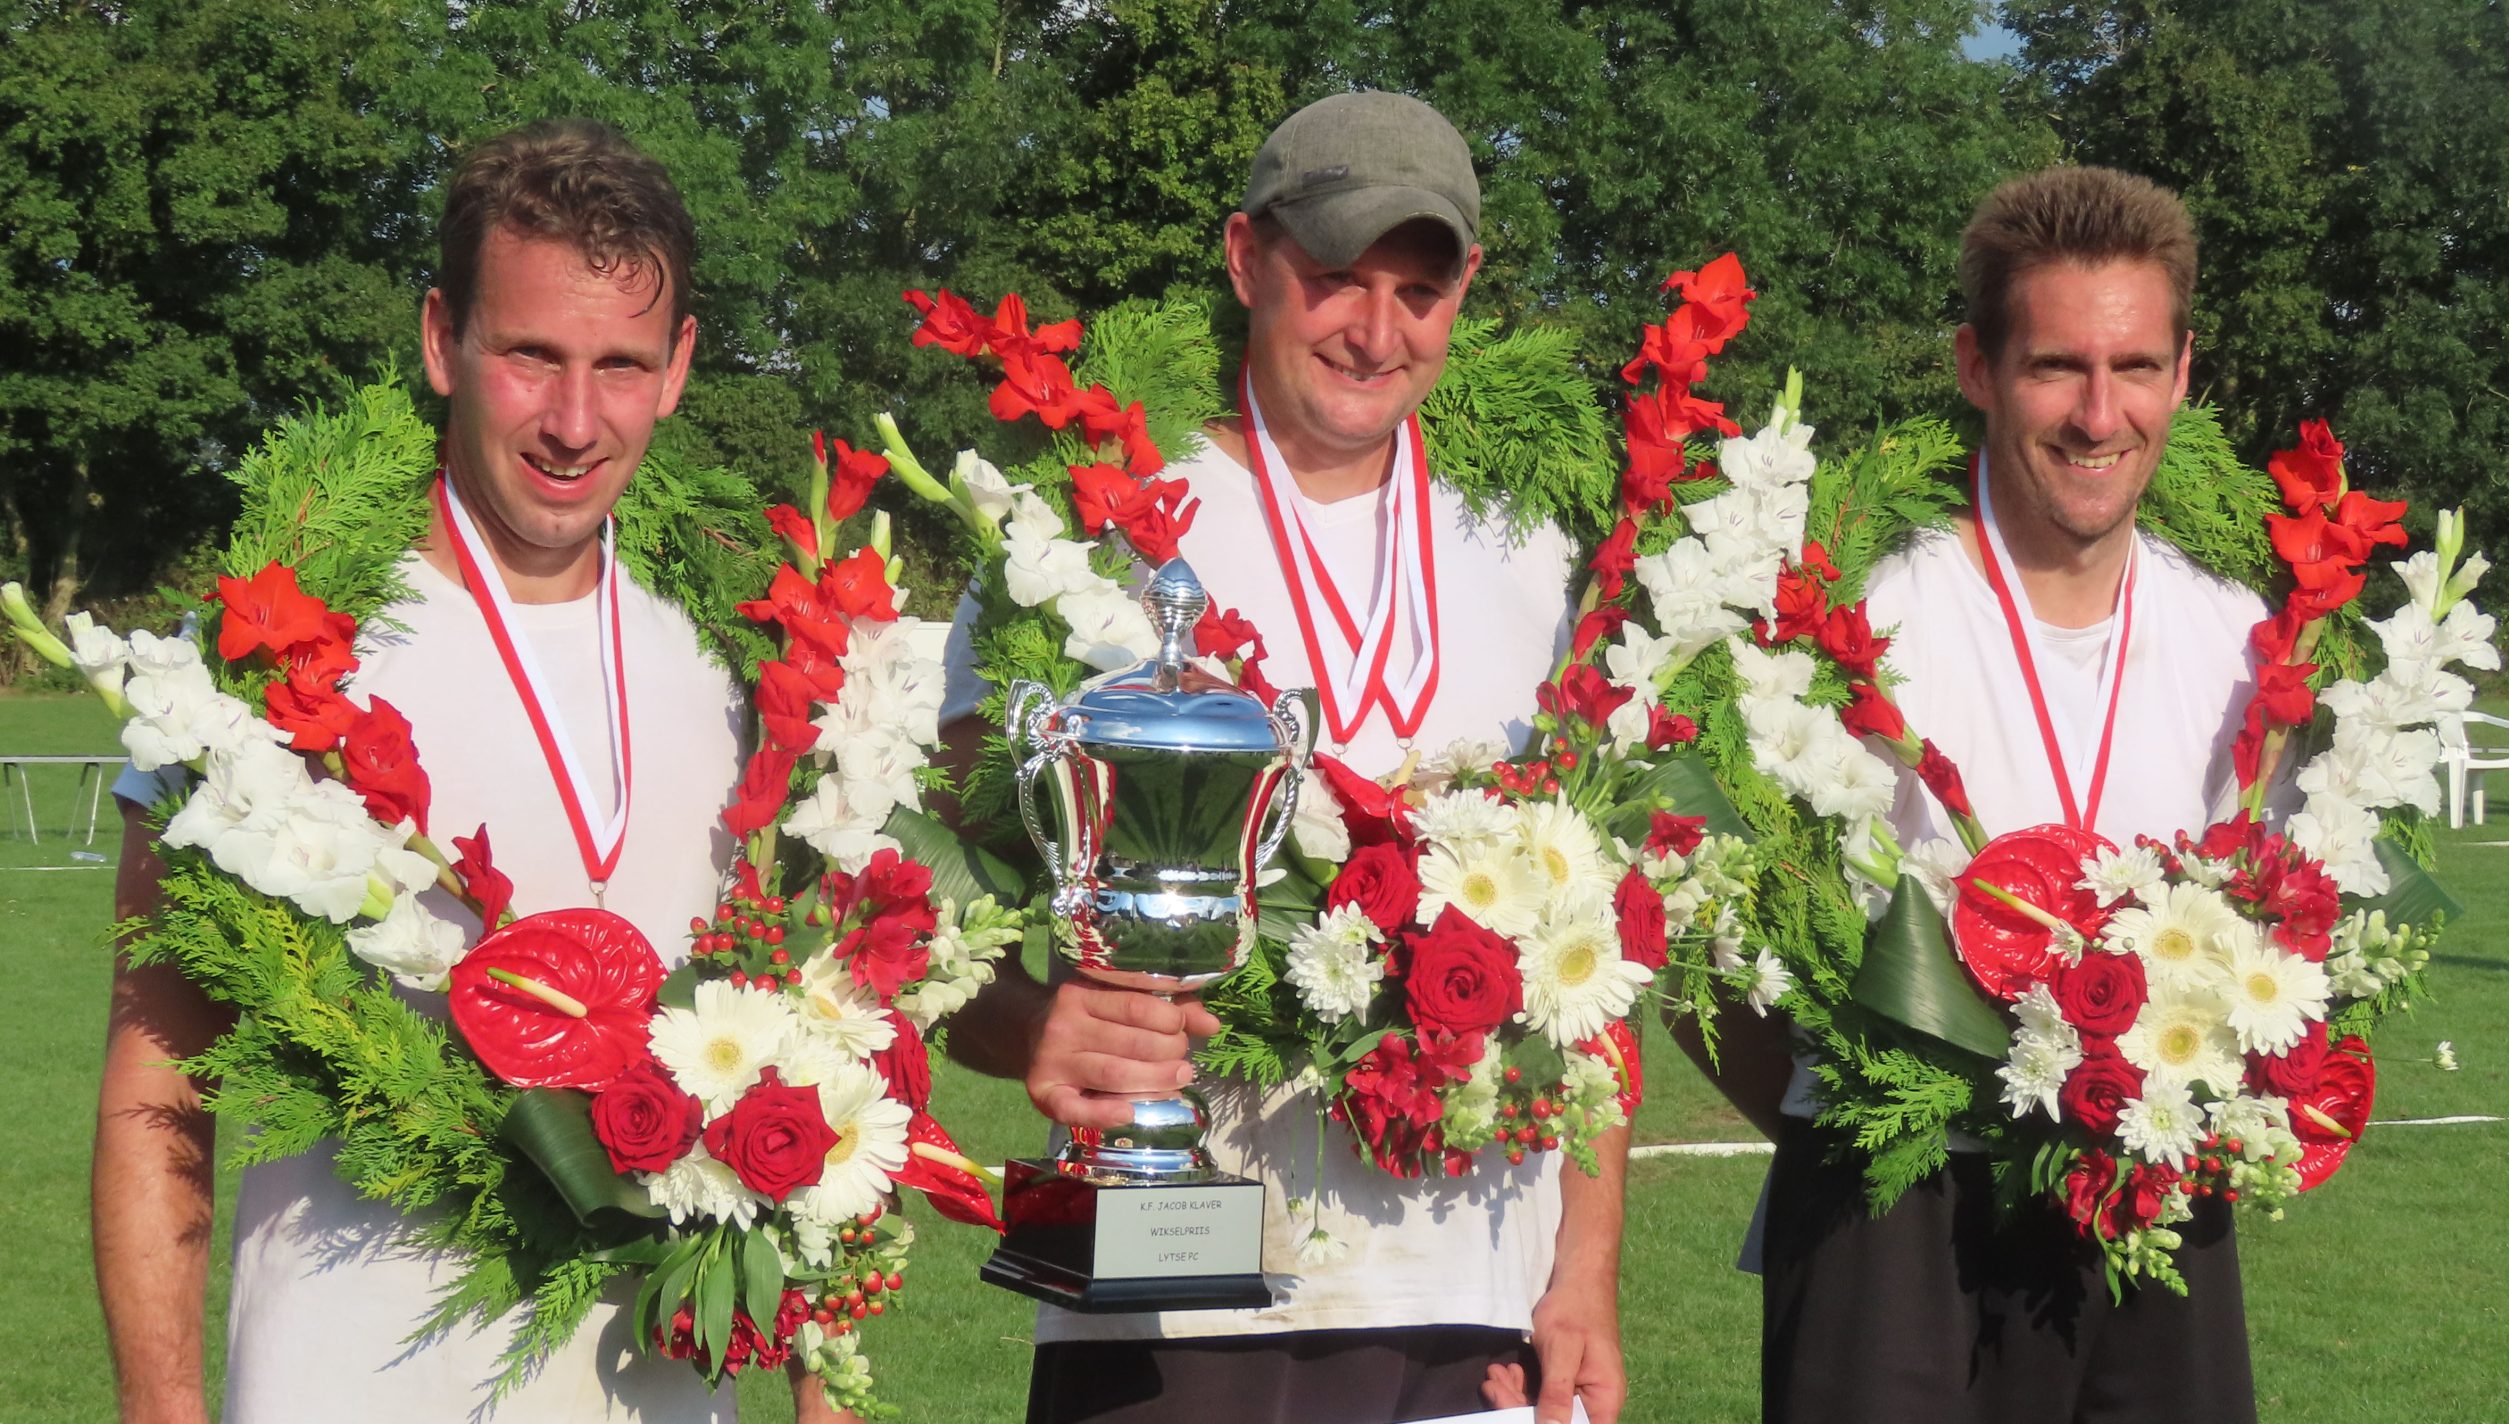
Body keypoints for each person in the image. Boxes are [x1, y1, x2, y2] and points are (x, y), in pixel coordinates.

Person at [89, 120, 805, 1422]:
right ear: (442, 339)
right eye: (532, 353)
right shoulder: (281, 647)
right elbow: (158, 1074)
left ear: (681, 366)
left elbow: (794, 1064)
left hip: (664, 1395)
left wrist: (826, 1396)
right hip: (343, 1383)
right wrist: (159, 1407)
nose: (576, 421)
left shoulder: (729, 663)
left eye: (622, 364)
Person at [940, 91, 1627, 1424]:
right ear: (1248, 258)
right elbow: (922, 906)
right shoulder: (1093, 525)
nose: (1376, 332)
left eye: (1418, 291)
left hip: (1477, 1275)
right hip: (1168, 1296)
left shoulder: (1536, 554)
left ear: (1465, 290)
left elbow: (1592, 952)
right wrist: (1040, 1027)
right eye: (1333, 281)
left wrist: (1586, 1266)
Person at [1751, 166, 2262, 1422]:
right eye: (2055, 367)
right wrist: (1877, 1113)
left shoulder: (2238, 639)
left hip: (2152, 1203)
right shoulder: (1859, 618)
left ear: (2182, 373)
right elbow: (1722, 954)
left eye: (2134, 366)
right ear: (1977, 367)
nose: (2099, 414)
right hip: (1892, 1212)